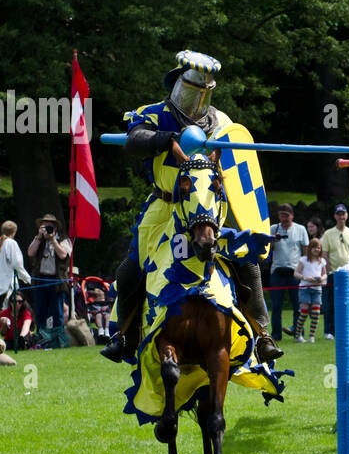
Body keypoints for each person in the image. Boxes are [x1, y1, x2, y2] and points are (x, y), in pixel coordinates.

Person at [99, 50, 281, 364]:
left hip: (207, 207)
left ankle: (262, 334)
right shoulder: (154, 114)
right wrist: (167, 138)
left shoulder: (221, 122)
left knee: (246, 261)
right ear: (176, 83)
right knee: (130, 270)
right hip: (165, 207)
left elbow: (237, 167)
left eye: (202, 94)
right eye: (190, 91)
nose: (194, 100)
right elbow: (134, 140)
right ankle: (126, 338)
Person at [267, 203, 308, 342]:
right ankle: (276, 335)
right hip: (277, 270)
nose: (284, 219)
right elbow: (267, 249)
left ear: (292, 215)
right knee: (276, 305)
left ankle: (298, 333)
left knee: (298, 304)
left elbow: (305, 250)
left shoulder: (300, 229)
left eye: (286, 215)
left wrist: (304, 269)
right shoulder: (274, 228)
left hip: (294, 271)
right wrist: (273, 239)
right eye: (281, 215)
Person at [24, 214, 71, 334]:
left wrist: (53, 240)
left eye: (50, 226)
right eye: (44, 226)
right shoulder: (39, 239)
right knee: (40, 311)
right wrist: (39, 237)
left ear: (55, 228)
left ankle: (58, 338)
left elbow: (63, 255)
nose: (47, 229)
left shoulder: (63, 239)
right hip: (41, 279)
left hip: (57, 280)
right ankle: (41, 336)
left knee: (57, 312)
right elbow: (30, 253)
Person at [322, 203, 349, 340]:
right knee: (331, 303)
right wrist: (330, 270)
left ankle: (347, 328)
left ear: (346, 215)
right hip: (334, 274)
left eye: (343, 214)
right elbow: (325, 254)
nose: (341, 216)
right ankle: (329, 331)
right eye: (338, 214)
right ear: (335, 216)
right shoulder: (328, 234)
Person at [0, 220, 31, 328]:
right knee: (16, 307)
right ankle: (23, 329)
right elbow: (17, 263)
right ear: (14, 232)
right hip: (7, 284)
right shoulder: (11, 243)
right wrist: (27, 278)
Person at [294, 238, 327, 342]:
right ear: (310, 248)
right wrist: (306, 278)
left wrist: (322, 278)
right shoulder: (303, 260)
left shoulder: (322, 261)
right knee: (303, 312)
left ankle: (311, 336)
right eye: (314, 247)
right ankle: (298, 334)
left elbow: (325, 274)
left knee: (316, 313)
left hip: (317, 289)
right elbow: (296, 273)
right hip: (305, 288)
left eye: (318, 247)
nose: (316, 249)